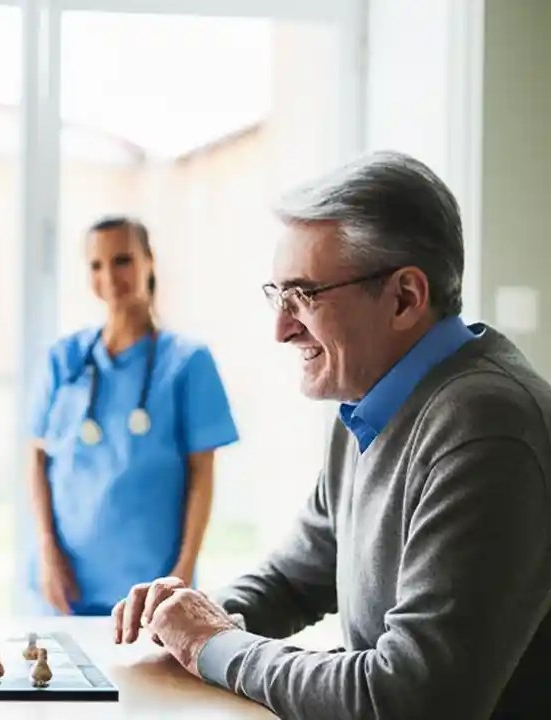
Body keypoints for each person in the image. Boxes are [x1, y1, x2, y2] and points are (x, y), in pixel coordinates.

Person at [114, 150, 551, 719]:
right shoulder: (371, 401)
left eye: (304, 296)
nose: (281, 329)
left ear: (405, 298)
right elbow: (295, 580)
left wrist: (213, 644)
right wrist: (186, 617)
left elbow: (408, 697)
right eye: (277, 295)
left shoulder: (486, 427)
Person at [27, 215, 239, 616]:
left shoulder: (187, 362)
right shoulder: (64, 358)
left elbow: (202, 474)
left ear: (149, 261)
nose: (109, 276)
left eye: (122, 260)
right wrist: (46, 552)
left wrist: (183, 570)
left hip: (151, 591)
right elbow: (38, 457)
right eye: (96, 265)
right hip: (65, 585)